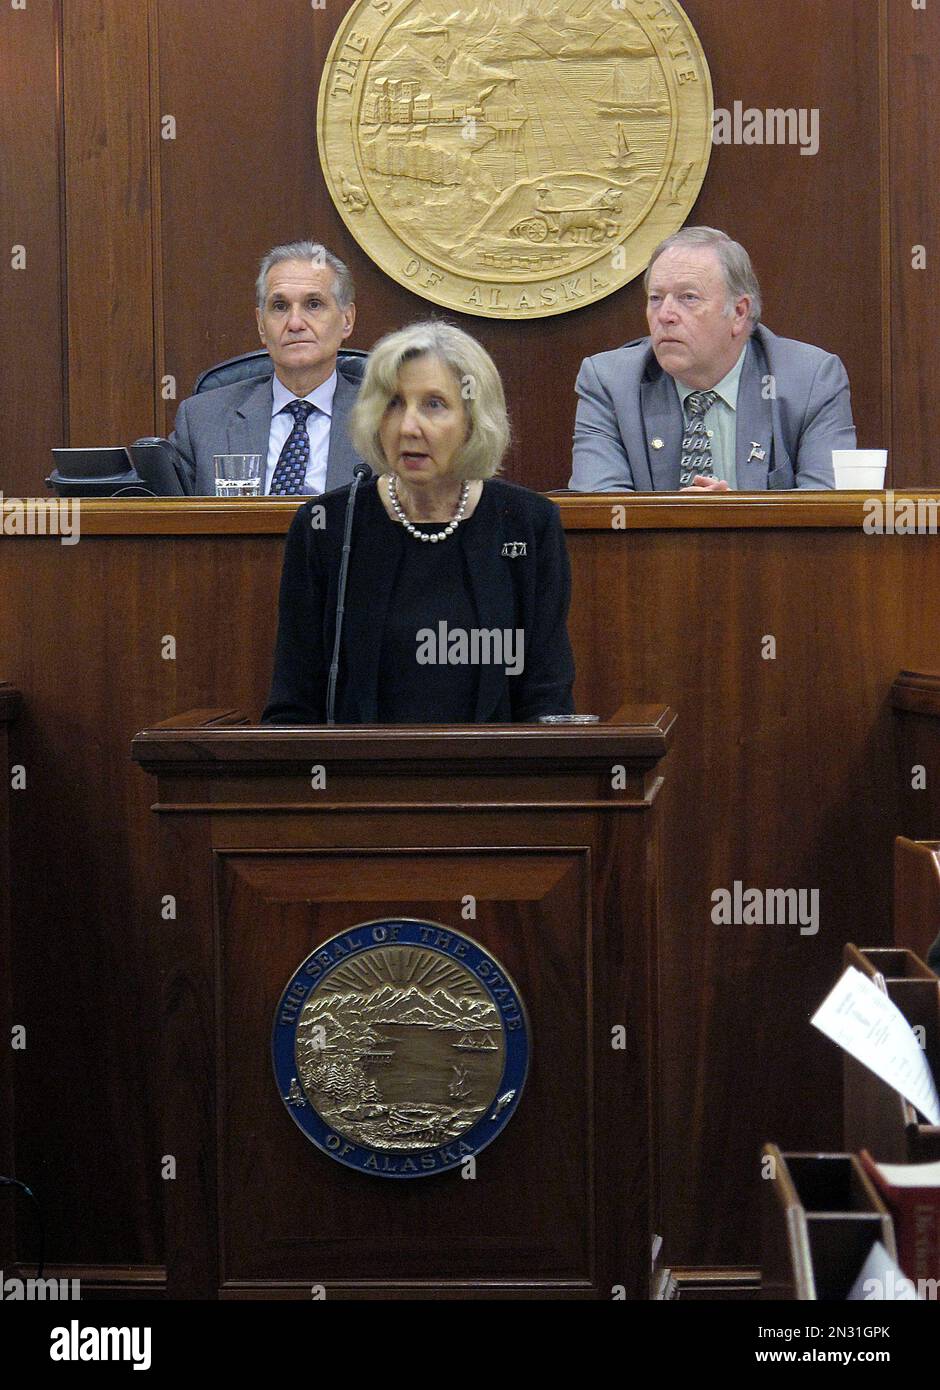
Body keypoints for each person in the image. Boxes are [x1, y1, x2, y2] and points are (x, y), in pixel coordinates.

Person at [262, 321, 575, 724]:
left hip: (494, 779)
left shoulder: (528, 524)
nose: (409, 426)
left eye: (434, 404)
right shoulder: (325, 527)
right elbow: (293, 704)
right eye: (393, 403)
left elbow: (547, 699)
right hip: (359, 781)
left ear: (473, 420)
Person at [569, 226, 856, 493]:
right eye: (656, 298)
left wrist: (731, 520)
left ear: (739, 312)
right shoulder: (609, 383)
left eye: (688, 298)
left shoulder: (810, 380)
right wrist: (684, 521)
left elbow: (825, 516)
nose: (665, 315)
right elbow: (602, 515)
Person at [170, 241, 363, 496]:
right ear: (261, 324)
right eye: (280, 307)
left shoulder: (387, 419)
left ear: (347, 320)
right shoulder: (201, 420)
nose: (295, 323)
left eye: (313, 304)